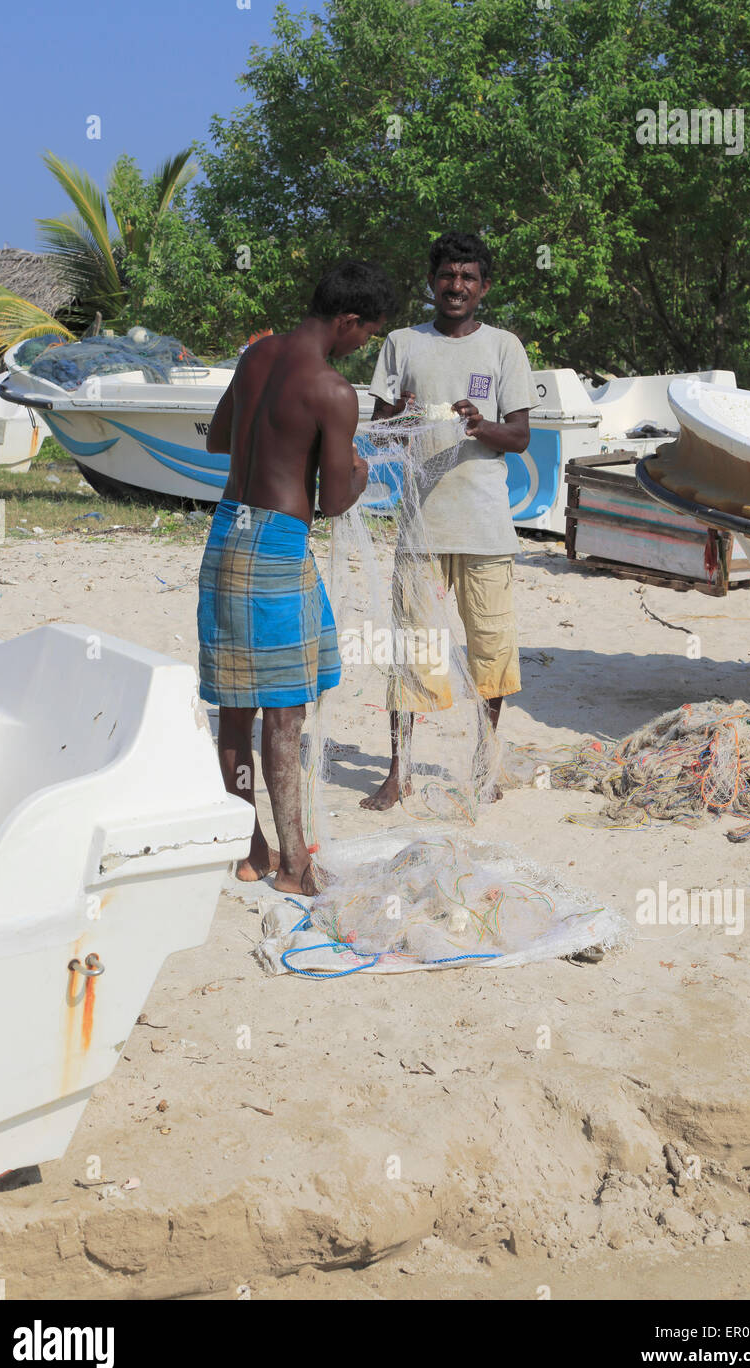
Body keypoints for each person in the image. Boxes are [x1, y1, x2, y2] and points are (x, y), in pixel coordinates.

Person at [198, 260, 397, 893]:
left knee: (234, 705)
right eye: (366, 335)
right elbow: (335, 502)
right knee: (284, 712)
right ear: (348, 320)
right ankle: (293, 864)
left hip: (227, 534)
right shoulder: (334, 392)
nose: (363, 347)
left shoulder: (256, 355)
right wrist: (358, 472)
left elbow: (219, 440)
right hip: (279, 549)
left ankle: (247, 846)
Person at [360, 230, 540, 810]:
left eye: (468, 277)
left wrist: (476, 424)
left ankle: (486, 762)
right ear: (431, 282)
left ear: (484, 287)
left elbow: (518, 436)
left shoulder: (504, 347)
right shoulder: (401, 344)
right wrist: (403, 420)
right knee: (413, 648)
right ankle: (399, 771)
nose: (456, 286)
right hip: (421, 527)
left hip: (485, 525)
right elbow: (379, 428)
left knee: (491, 646)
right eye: (447, 275)